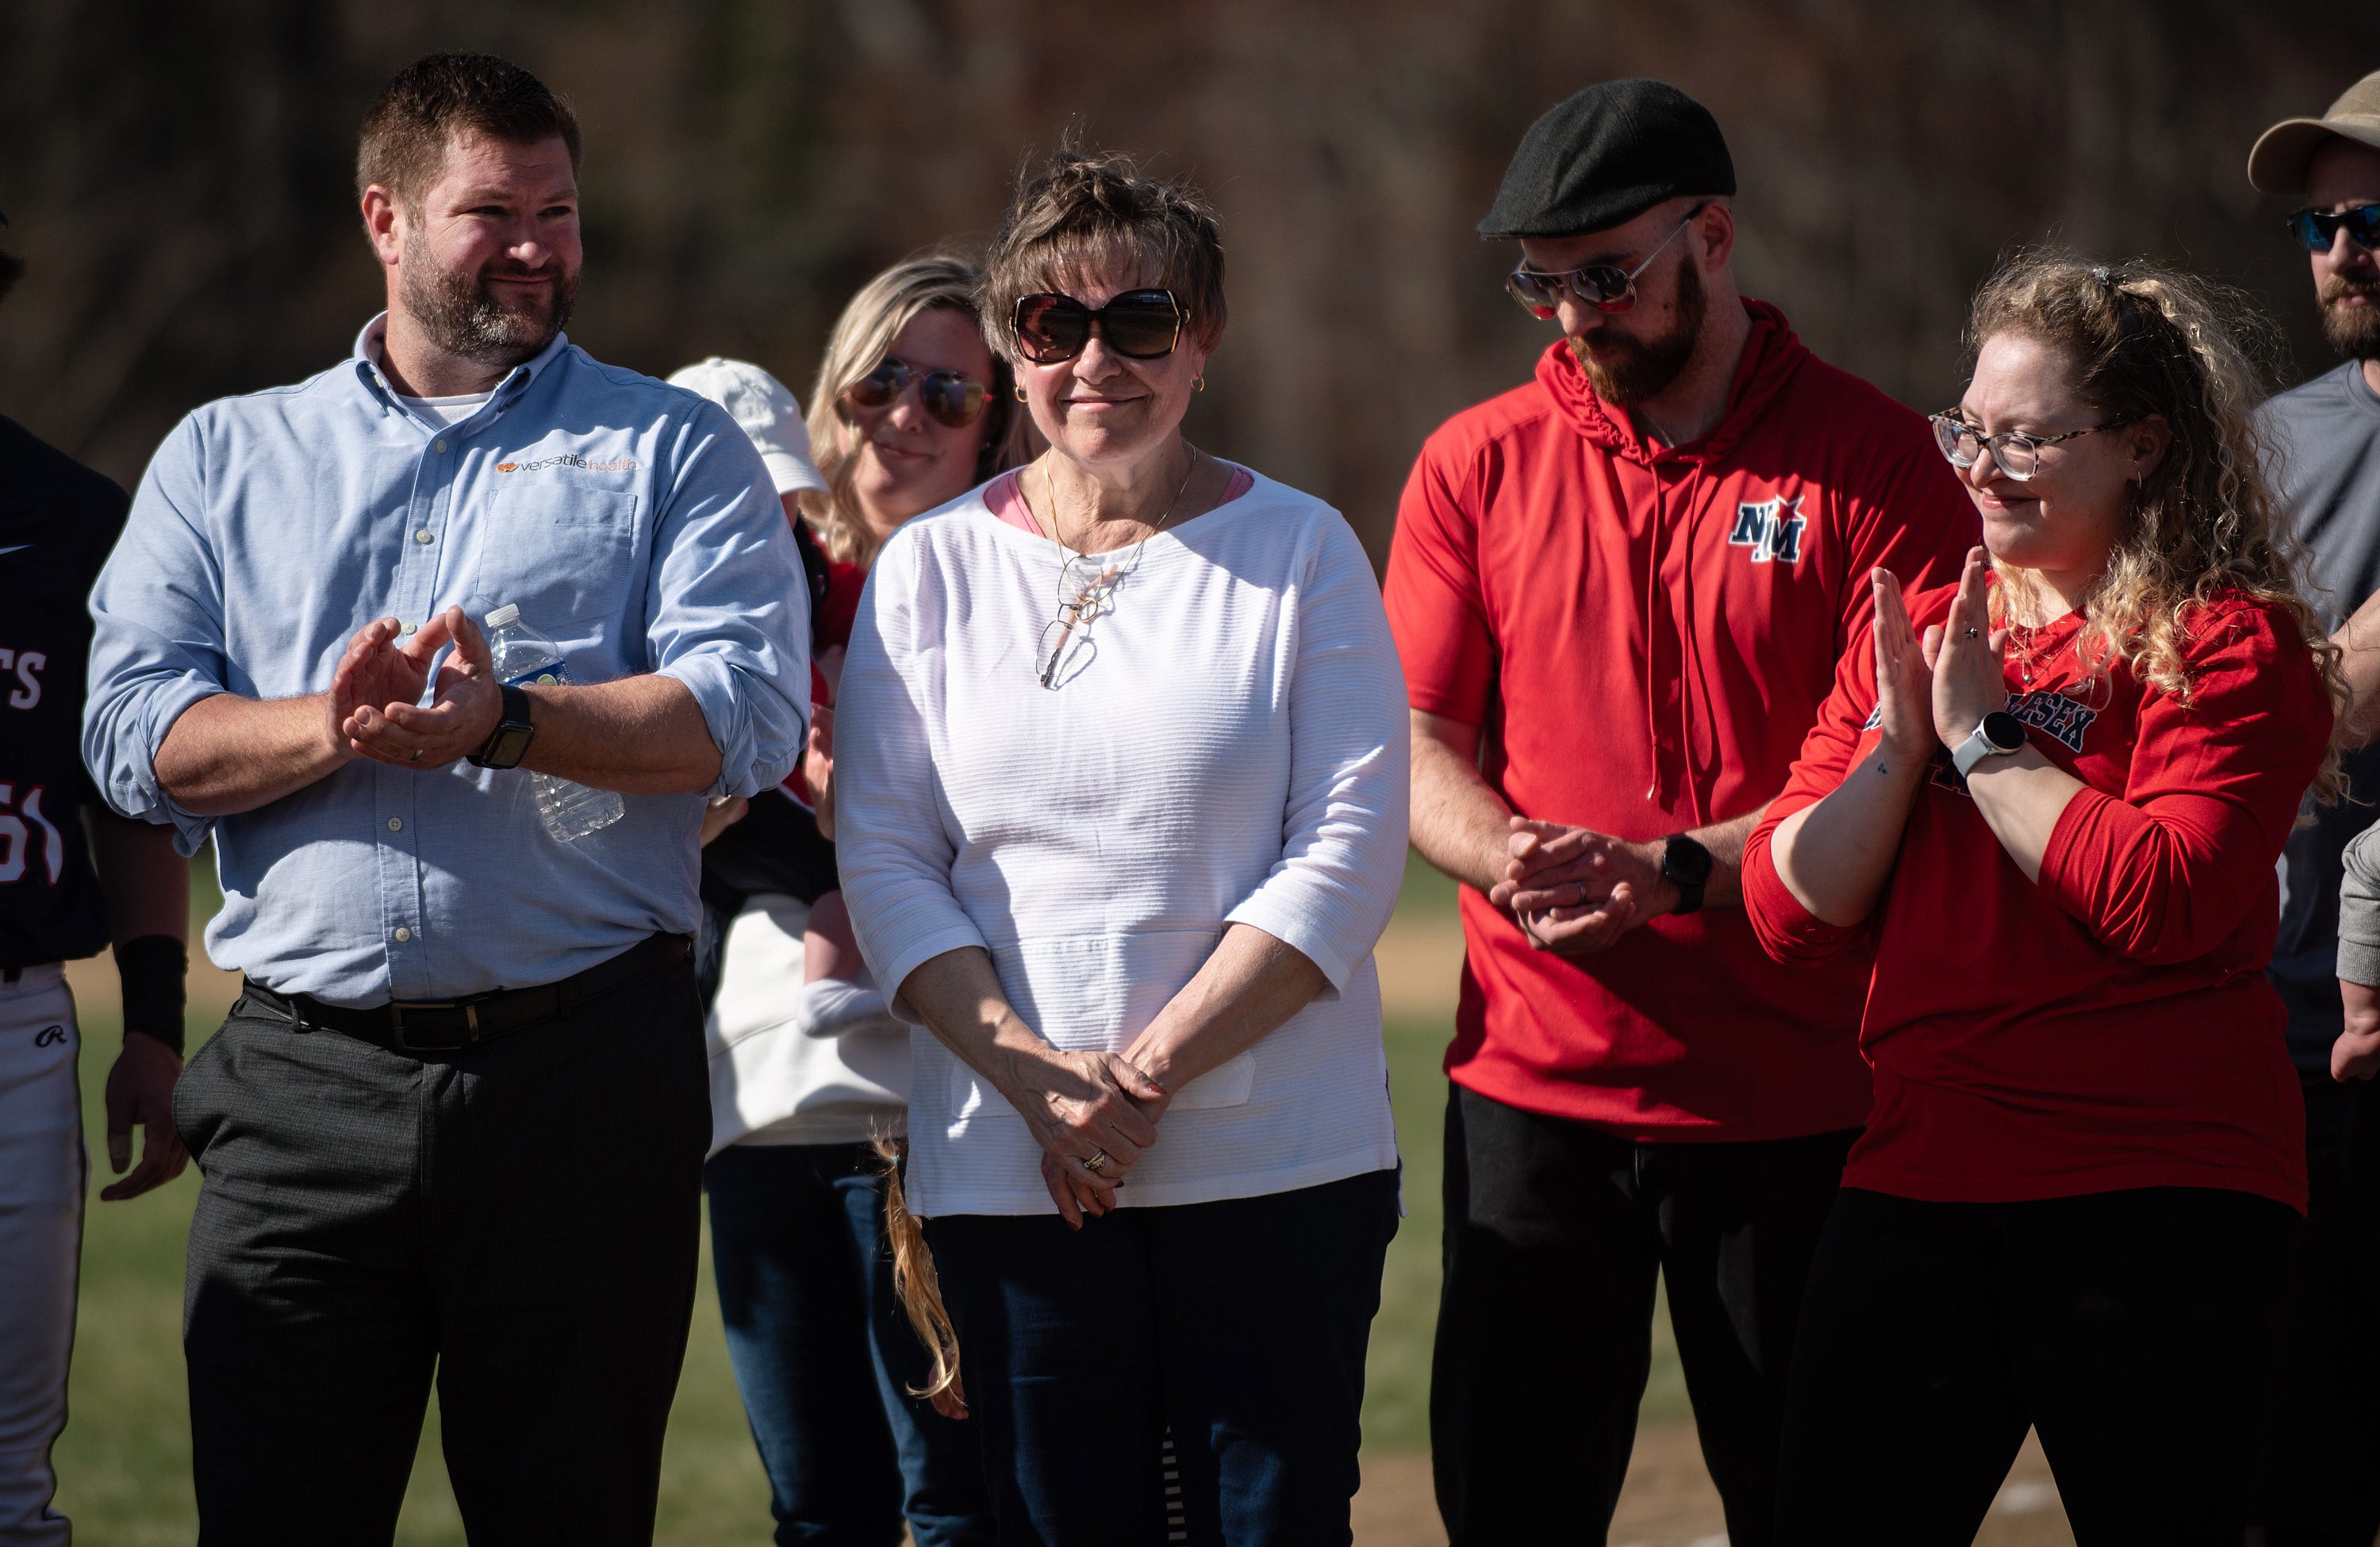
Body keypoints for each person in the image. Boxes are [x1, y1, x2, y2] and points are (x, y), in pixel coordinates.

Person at [80, 53, 810, 1544]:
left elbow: (743, 716)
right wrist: (327, 727)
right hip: (301, 1094)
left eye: (560, 210)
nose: (538, 246)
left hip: (584, 1085)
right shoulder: (226, 457)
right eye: (494, 212)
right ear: (386, 222)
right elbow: (126, 733)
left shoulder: (677, 450)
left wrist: (513, 721)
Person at [1381, 79, 1977, 1546]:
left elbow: (1898, 764)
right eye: (1541, 281)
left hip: (1801, 1093)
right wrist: (1516, 858)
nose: (1571, 315)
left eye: (1607, 276)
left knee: (1820, 1509)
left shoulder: (1879, 462)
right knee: (1511, 1507)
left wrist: (1671, 875)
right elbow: (1413, 741)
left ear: (1713, 237)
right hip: (1532, 1091)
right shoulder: (1476, 462)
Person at [833, 147, 1408, 1546]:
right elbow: (889, 857)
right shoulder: (929, 569)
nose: (1098, 360)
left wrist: (1135, 1082)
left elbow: (1346, 853)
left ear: (1201, 341)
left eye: (1141, 323)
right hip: (1007, 1167)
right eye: (1054, 325)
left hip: (1275, 1166)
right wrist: (1036, 1084)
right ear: (1016, 347)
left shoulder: (1304, 548)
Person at [1744, 251, 2336, 1545]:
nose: (1979, 465)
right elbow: (1791, 909)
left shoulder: (2231, 640)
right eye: (1968, 428)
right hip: (1922, 1167)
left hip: (2157, 1180)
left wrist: (1981, 745)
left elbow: (2167, 898)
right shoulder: (1921, 630)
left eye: (2027, 437)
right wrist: (1900, 749)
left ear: (2140, 446)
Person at [670, 254, 1030, 1547]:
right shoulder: (750, 573)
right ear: (836, 392)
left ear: (993, 416)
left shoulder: (1014, 585)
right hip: (758, 1107)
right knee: (815, 1505)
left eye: (949, 392)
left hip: (932, 1110)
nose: (908, 415)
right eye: (885, 379)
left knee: (954, 1502)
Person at [0, 215, 190, 1547]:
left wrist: (159, 1021)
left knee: (11, 1486)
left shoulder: (66, 516)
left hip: (14, 1027)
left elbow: (126, 793)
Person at [2242, 67, 2380, 1547]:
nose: (2347, 252)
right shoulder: (2269, 447)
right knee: (2293, 1481)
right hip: (2288, 1043)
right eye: (2328, 225)